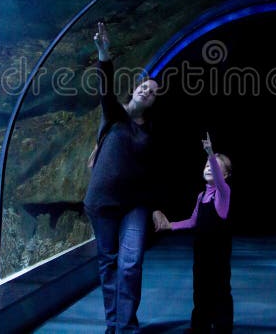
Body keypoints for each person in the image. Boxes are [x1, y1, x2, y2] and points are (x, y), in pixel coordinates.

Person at [84, 21, 160, 334]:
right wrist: (104, 54)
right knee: (108, 263)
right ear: (135, 90)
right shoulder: (113, 115)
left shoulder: (151, 134)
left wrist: (156, 205)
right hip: (101, 201)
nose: (147, 89)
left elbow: (155, 173)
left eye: (154, 91)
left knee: (130, 264)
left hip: (134, 205)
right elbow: (106, 90)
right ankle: (113, 325)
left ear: (155, 102)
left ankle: (126, 327)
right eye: (144, 85)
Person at [153, 133, 233, 333]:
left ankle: (222, 325)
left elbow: (220, 181)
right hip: (201, 252)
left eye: (214, 165)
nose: (209, 166)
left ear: (224, 175)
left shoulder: (223, 193)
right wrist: (169, 225)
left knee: (220, 288)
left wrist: (210, 153)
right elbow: (192, 221)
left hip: (218, 255)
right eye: (206, 164)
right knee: (200, 289)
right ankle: (201, 324)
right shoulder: (201, 196)